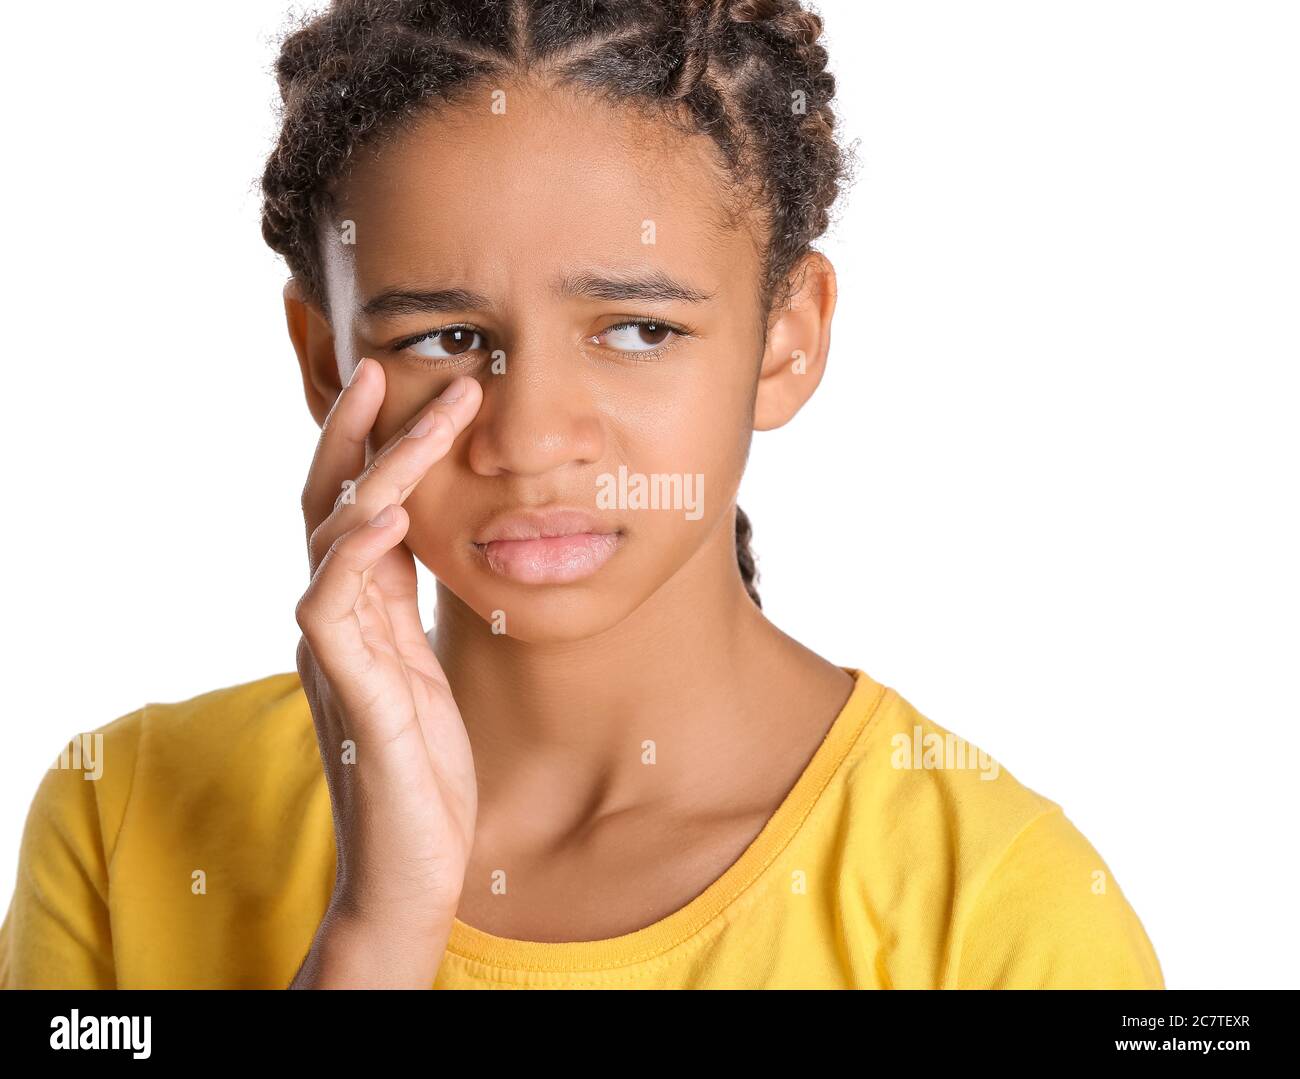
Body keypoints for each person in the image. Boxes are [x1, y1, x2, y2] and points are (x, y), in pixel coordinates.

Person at [0, 0, 1163, 989]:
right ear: (323, 360)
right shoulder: (124, 817)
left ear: (785, 342)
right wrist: (378, 930)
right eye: (446, 335)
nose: (531, 436)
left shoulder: (1003, 910)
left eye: (639, 328)